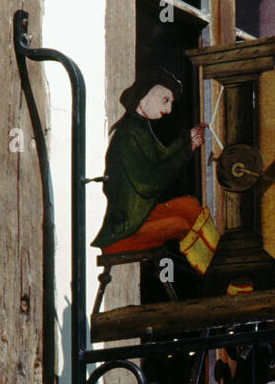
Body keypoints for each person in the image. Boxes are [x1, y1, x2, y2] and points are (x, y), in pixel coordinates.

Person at [92, 66, 220, 275]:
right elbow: (150, 181)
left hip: (138, 217)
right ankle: (215, 274)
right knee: (180, 223)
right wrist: (186, 147)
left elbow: (162, 156)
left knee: (189, 206)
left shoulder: (140, 127)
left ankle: (220, 265)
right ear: (147, 94)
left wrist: (188, 141)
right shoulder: (128, 135)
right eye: (165, 100)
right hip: (125, 229)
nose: (169, 110)